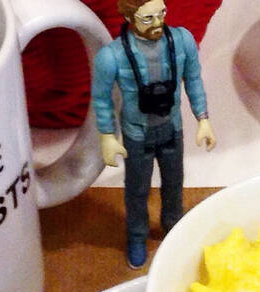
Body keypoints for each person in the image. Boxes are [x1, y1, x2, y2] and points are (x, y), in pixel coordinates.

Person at [92, 0, 215, 268]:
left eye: (161, 14)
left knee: (174, 182)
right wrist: (107, 136)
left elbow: (193, 79)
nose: (157, 22)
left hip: (172, 128)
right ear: (129, 17)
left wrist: (202, 118)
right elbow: (102, 99)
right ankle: (137, 236)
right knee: (136, 190)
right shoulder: (112, 56)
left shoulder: (182, 41)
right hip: (137, 134)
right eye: (147, 18)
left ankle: (173, 227)